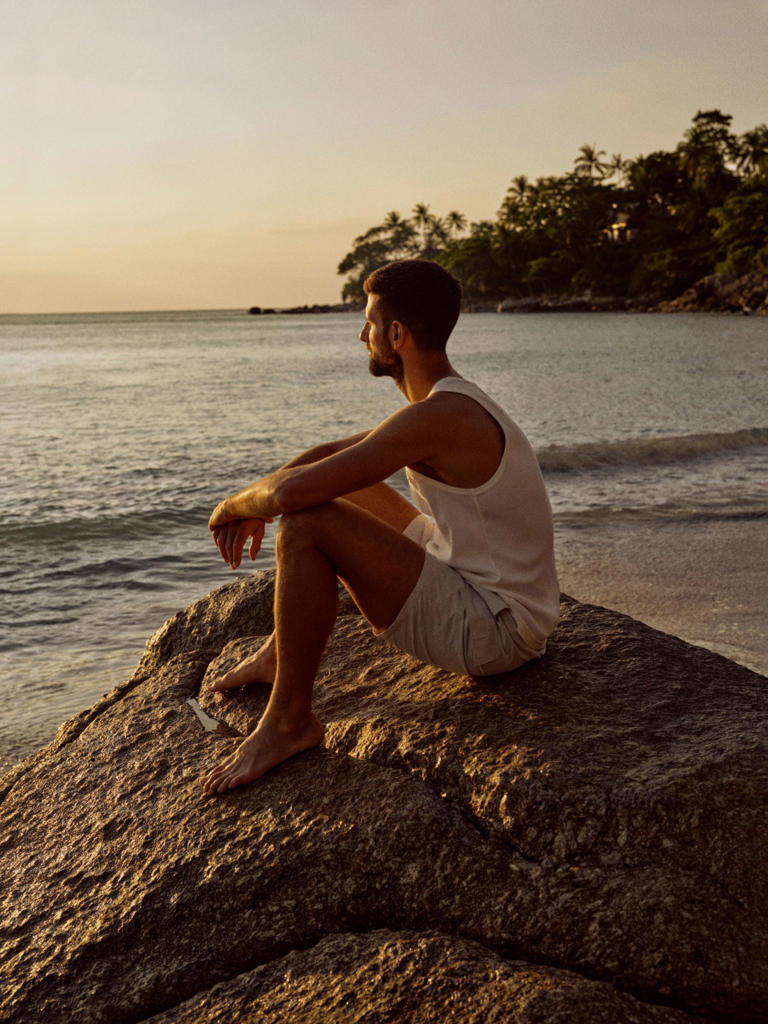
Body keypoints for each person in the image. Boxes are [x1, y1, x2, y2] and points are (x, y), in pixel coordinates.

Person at [201, 259, 559, 795]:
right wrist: (263, 497)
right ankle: (282, 652)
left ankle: (289, 721)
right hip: (477, 581)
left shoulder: (439, 416)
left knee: (305, 523)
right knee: (333, 485)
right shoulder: (448, 402)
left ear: (397, 334)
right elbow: (326, 460)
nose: (361, 334)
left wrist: (231, 505)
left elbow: (295, 495)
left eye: (369, 322)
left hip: (494, 629)